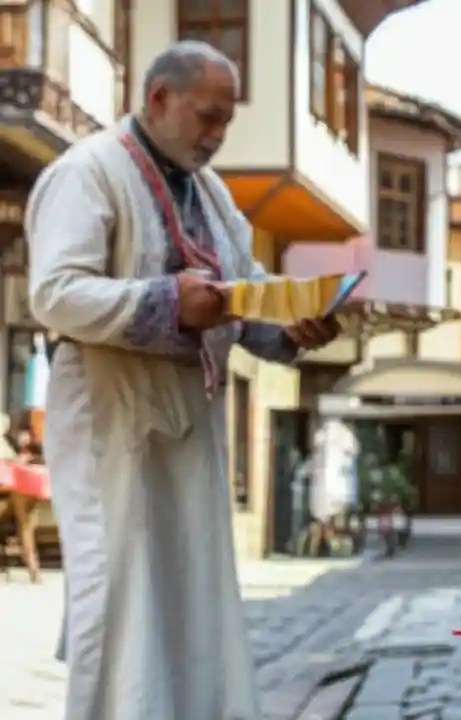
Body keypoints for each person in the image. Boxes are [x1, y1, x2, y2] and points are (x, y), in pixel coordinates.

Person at [25, 41, 340, 719]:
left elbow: (240, 291)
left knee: (193, 599)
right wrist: (167, 300)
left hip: (190, 426)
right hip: (113, 418)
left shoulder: (211, 192)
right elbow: (53, 294)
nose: (218, 135)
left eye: (226, 120)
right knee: (120, 597)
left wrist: (290, 325)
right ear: (159, 98)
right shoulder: (89, 172)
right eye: (208, 116)